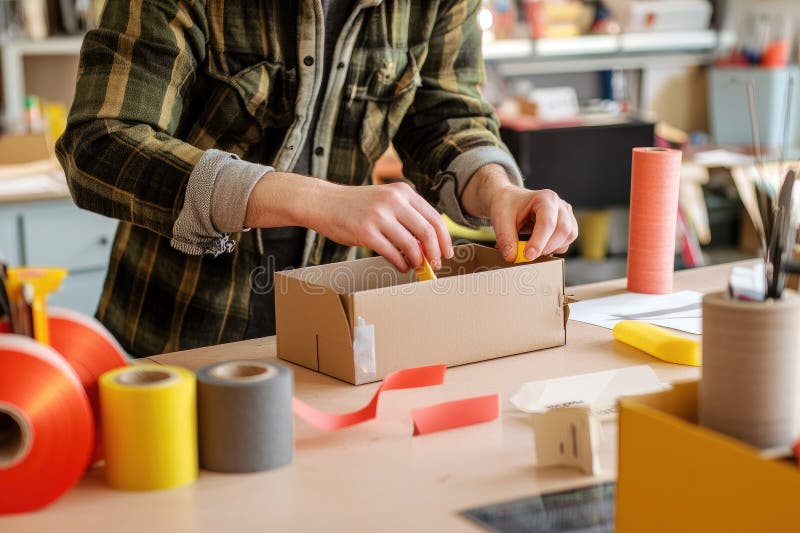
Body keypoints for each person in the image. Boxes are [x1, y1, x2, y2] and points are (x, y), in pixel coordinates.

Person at [56, 0, 578, 358]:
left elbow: (446, 118)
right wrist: (315, 199)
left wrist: (497, 189)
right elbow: (99, 141)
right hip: (175, 336)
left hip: (340, 338)